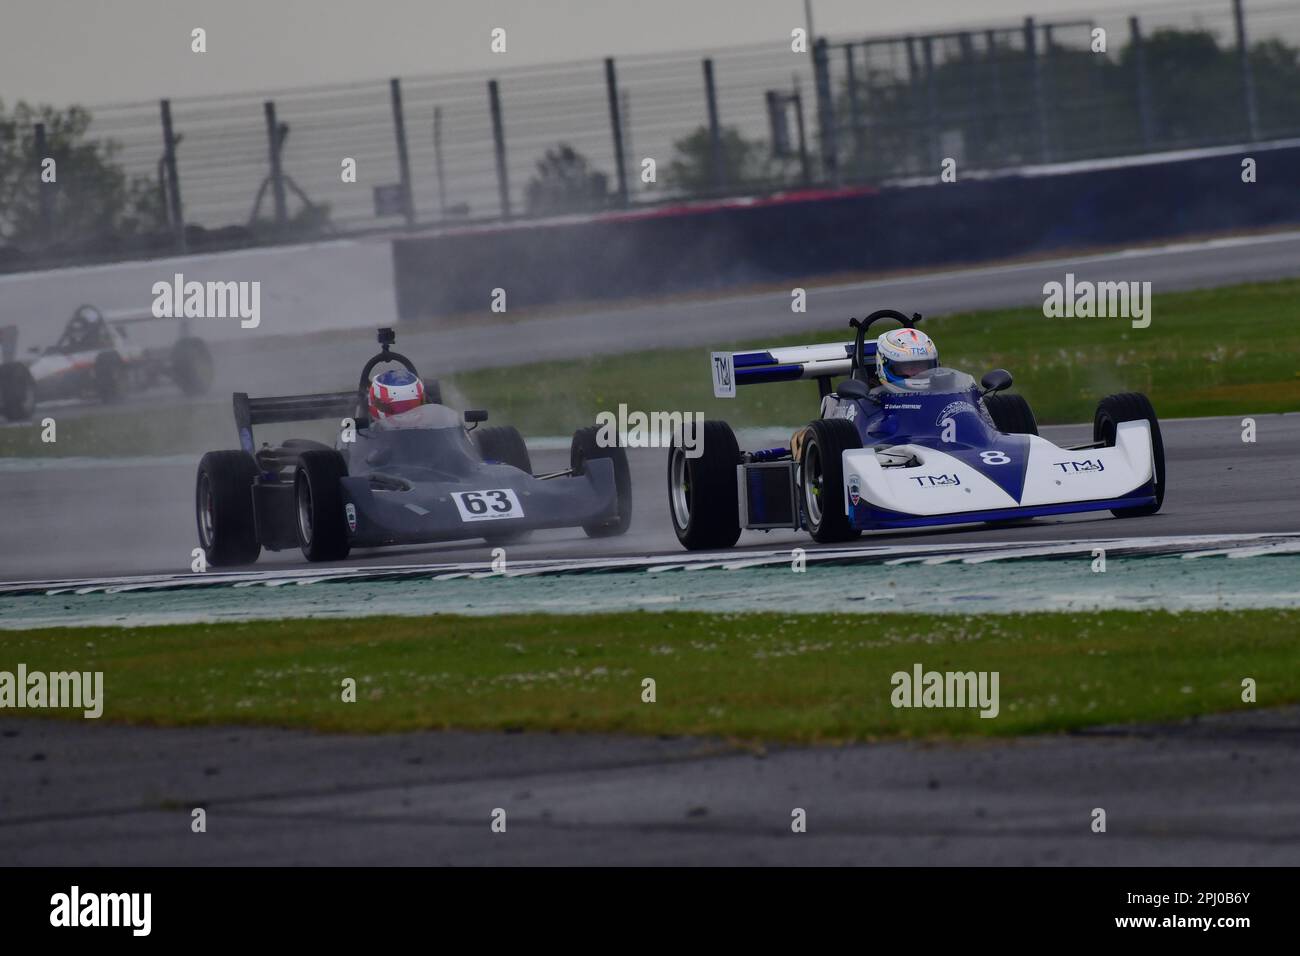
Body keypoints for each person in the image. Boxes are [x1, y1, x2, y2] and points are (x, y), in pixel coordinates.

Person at [367, 368, 459, 429]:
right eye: (397, 408)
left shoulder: (436, 427)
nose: (406, 414)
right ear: (375, 403)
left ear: (423, 402)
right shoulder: (360, 435)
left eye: (412, 406)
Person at [874, 327, 939, 393]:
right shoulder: (870, 399)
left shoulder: (942, 392)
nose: (917, 372)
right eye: (908, 366)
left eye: (921, 364)